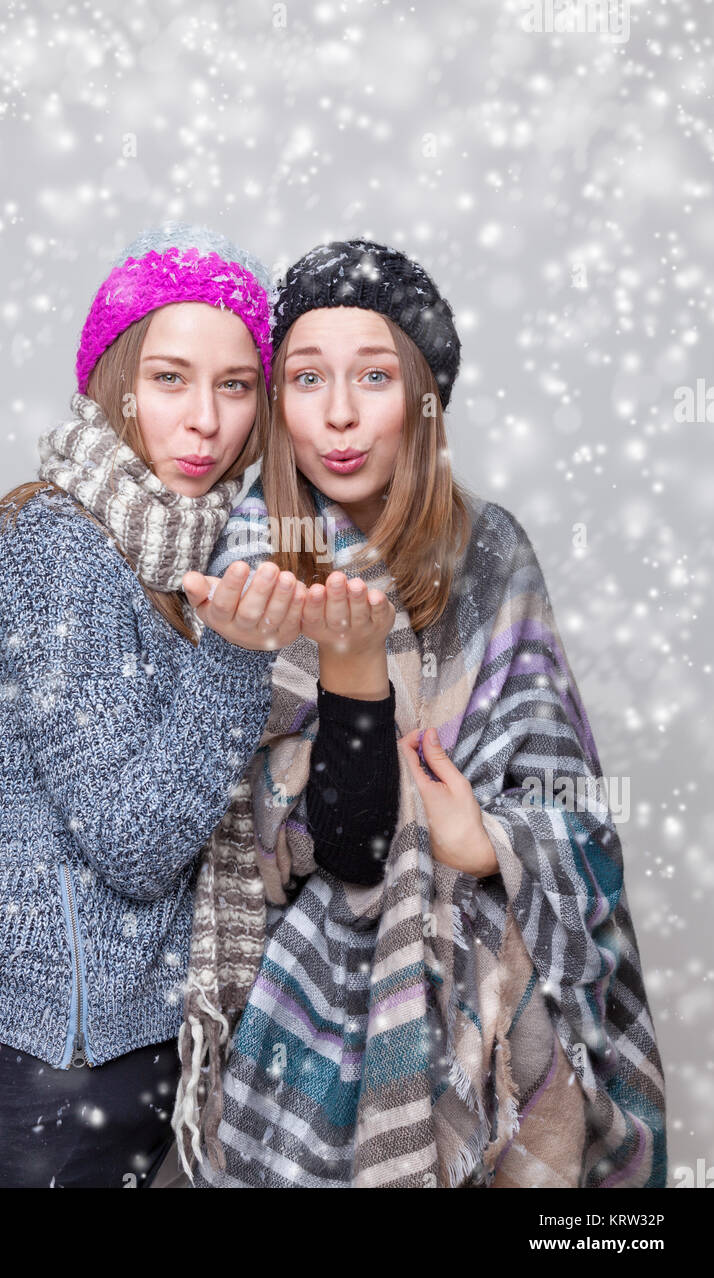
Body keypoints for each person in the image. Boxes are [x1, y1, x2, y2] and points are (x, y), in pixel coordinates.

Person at [174, 238, 668, 1189]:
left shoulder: (490, 555)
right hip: (302, 1025)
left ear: (425, 399)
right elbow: (299, 843)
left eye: (375, 376)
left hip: (500, 1025)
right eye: (308, 378)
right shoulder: (241, 574)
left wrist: (487, 844)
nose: (341, 415)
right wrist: (360, 722)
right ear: (277, 400)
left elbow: (580, 813)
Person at [0, 222, 315, 1188]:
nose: (204, 422)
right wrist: (238, 657)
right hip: (34, 1090)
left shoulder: (187, 558)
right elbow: (135, 841)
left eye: (234, 385)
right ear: (116, 382)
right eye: (171, 379)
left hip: (142, 1079)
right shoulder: (56, 543)